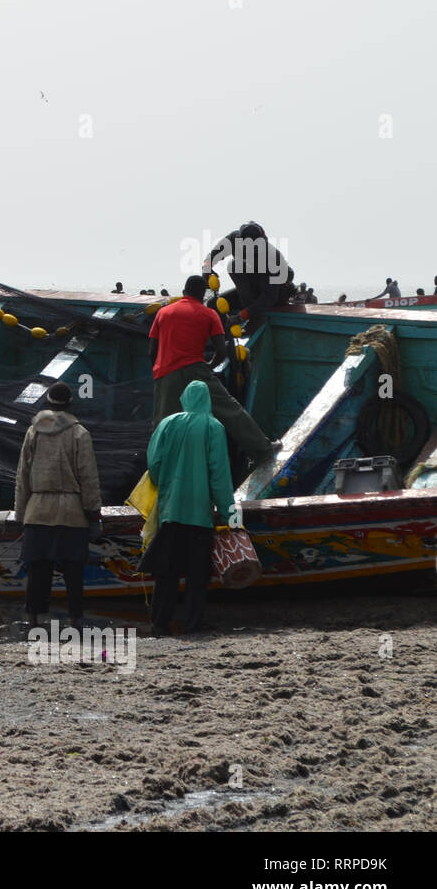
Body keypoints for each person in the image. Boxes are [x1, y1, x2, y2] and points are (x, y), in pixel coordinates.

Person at [150, 275, 280, 463]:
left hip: (165, 373)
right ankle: (262, 451)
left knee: (162, 423)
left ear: (184, 291)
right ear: (203, 294)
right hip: (197, 372)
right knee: (231, 411)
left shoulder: (164, 313)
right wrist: (209, 366)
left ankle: (156, 465)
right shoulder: (209, 314)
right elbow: (222, 351)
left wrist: (160, 371)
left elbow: (152, 350)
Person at [142, 379, 235, 636]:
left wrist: (168, 484)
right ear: (207, 400)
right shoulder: (213, 427)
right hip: (199, 514)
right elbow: (219, 475)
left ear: (184, 398)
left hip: (170, 511)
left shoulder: (167, 424)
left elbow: (154, 464)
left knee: (167, 572)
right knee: (197, 575)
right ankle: (192, 624)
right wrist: (230, 513)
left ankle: (159, 623)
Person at [14, 382, 101, 629]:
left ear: (48, 405)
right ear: (71, 404)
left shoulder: (33, 433)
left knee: (38, 571)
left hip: (37, 510)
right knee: (74, 572)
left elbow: (22, 476)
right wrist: (93, 514)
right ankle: (75, 620)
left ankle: (33, 619)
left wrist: (21, 514)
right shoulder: (80, 434)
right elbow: (89, 478)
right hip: (72, 513)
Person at [201, 221, 294, 330]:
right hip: (252, 292)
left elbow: (268, 298)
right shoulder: (233, 239)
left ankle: (256, 318)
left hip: (277, 293)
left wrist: (242, 316)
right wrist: (206, 268)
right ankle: (226, 342)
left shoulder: (271, 258)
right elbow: (212, 256)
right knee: (213, 304)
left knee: (235, 266)